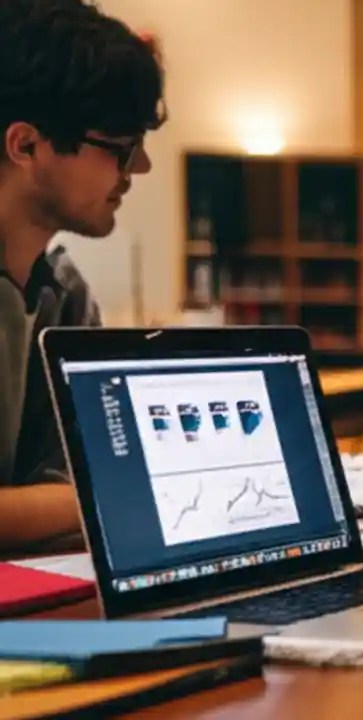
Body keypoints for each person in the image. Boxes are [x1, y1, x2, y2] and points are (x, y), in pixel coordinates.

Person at [0, 0, 163, 548]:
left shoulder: (63, 296)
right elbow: (97, 486)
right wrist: (119, 488)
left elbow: (71, 476)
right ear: (25, 145)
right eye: (120, 147)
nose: (139, 168)